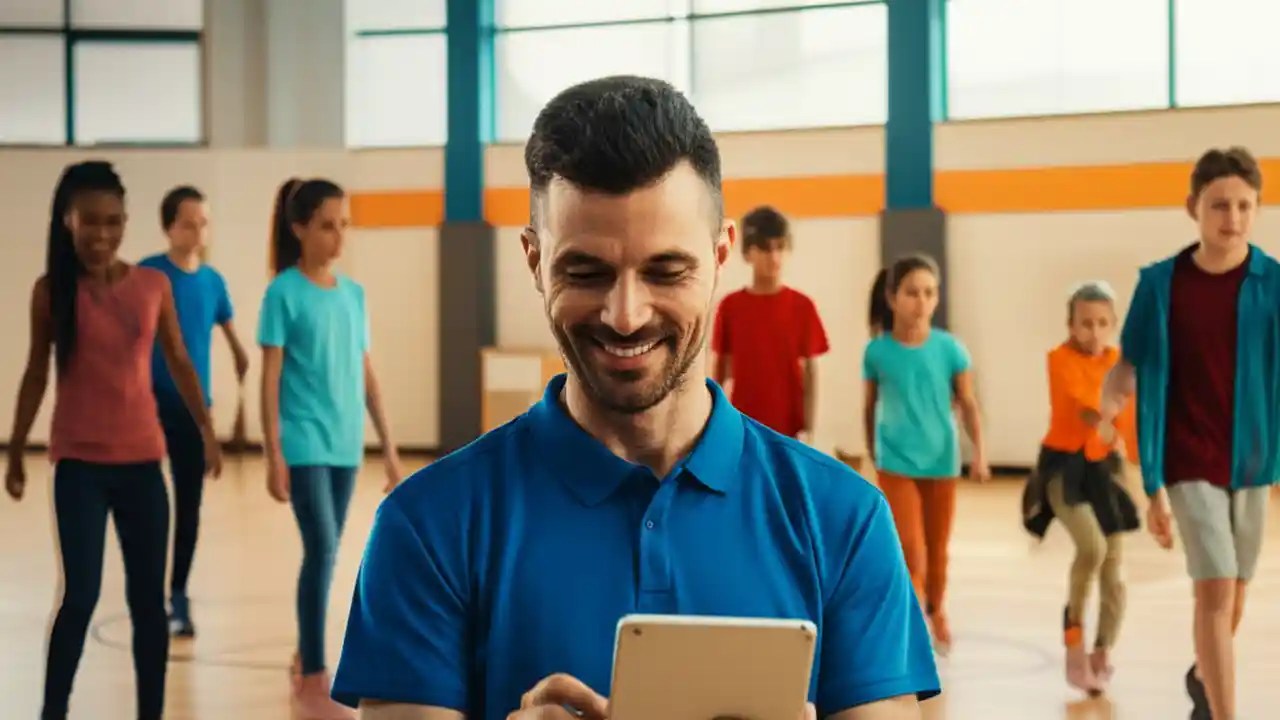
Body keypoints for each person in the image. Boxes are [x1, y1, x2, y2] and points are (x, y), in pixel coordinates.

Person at [329, 75, 941, 720]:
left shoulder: (844, 519)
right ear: (535, 261)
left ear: (720, 252)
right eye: (586, 272)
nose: (625, 315)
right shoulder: (428, 527)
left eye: (665, 271)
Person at [4, 160, 223, 720]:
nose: (103, 234)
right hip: (78, 466)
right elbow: (35, 372)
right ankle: (53, 710)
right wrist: (15, 449)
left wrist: (207, 431)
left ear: (126, 222)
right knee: (79, 597)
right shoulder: (51, 292)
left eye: (114, 222)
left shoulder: (152, 285)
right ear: (67, 222)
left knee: (148, 604)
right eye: (91, 223)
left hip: (143, 467)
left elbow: (179, 361)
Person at [1101, 146, 1277, 720]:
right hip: (1186, 455)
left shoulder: (1272, 284)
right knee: (1217, 587)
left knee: (1235, 593)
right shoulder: (1159, 285)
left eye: (1245, 206)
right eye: (1220, 205)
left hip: (1252, 458)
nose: (1233, 218)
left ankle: (1204, 674)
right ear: (1193, 208)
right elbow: (1129, 362)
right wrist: (1112, 402)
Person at [258, 177, 404, 720]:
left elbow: (367, 375)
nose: (338, 235)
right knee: (321, 549)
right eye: (326, 224)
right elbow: (270, 380)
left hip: (346, 444)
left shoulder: (353, 295)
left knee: (327, 553)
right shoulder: (282, 293)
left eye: (343, 224)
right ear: (299, 228)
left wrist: (388, 448)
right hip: (303, 442)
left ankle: (305, 654)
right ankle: (315, 677)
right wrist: (273, 452)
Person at [862, 253, 991, 656]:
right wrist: (872, 451)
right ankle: (913, 619)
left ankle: (938, 610)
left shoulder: (951, 348)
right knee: (909, 548)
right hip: (895, 462)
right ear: (892, 297)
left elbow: (968, 404)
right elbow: (868, 407)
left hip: (942, 460)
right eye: (912, 293)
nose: (921, 301)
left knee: (938, 550)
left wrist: (980, 454)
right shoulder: (877, 352)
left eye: (929, 293)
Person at [139, 185, 249, 638]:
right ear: (169, 227)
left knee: (189, 505)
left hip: (192, 410)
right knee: (147, 506)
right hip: (145, 405)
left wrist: (241, 354)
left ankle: (178, 595)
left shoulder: (213, 281)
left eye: (203, 222)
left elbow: (226, 327)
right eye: (188, 222)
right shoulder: (147, 275)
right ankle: (147, 593)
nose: (198, 230)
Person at [1021, 281, 1139, 696]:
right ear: (1070, 323)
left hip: (1105, 469)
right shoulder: (1059, 358)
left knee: (1115, 569)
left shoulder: (1122, 362)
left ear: (1113, 326)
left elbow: (1134, 417)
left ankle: (1103, 649)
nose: (1093, 331)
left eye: (1103, 323)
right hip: (1065, 468)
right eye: (1085, 322)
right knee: (1092, 548)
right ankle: (1074, 642)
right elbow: (1083, 404)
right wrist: (1109, 414)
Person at [710, 206, 829, 442]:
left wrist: (809, 427)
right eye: (764, 248)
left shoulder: (802, 306)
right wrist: (715, 424)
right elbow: (719, 372)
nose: (773, 257)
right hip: (743, 426)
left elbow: (811, 374)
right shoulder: (730, 307)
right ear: (747, 252)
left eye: (780, 247)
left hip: (789, 430)